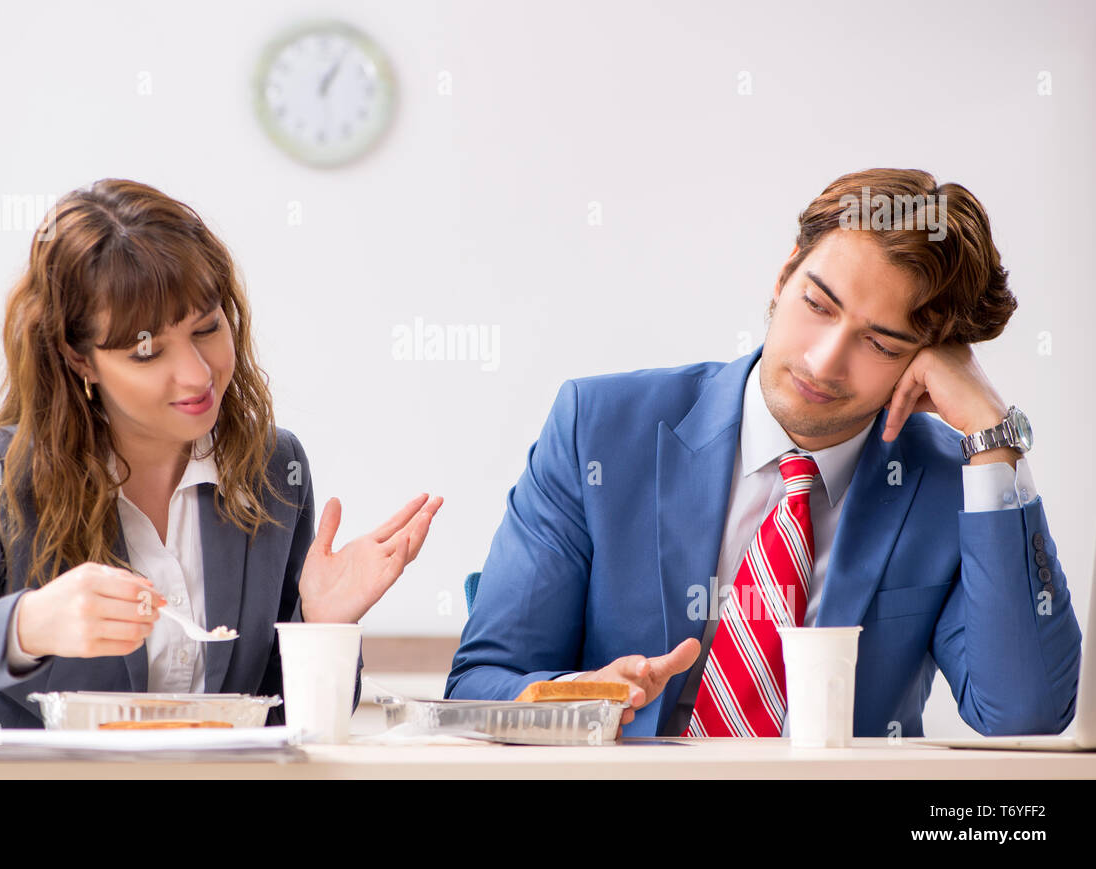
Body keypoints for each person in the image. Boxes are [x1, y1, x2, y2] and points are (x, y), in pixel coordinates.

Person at [446, 168, 1082, 739]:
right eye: (817, 305)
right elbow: (481, 683)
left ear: (924, 362)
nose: (823, 360)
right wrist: (577, 703)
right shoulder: (601, 428)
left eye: (881, 344)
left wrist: (993, 435)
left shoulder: (952, 482)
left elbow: (1023, 713)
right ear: (784, 276)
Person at [0, 178, 442, 732]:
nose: (198, 374)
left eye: (206, 328)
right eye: (148, 353)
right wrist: (28, 625)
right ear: (79, 360)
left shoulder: (270, 466)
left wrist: (322, 627)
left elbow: (278, 716)